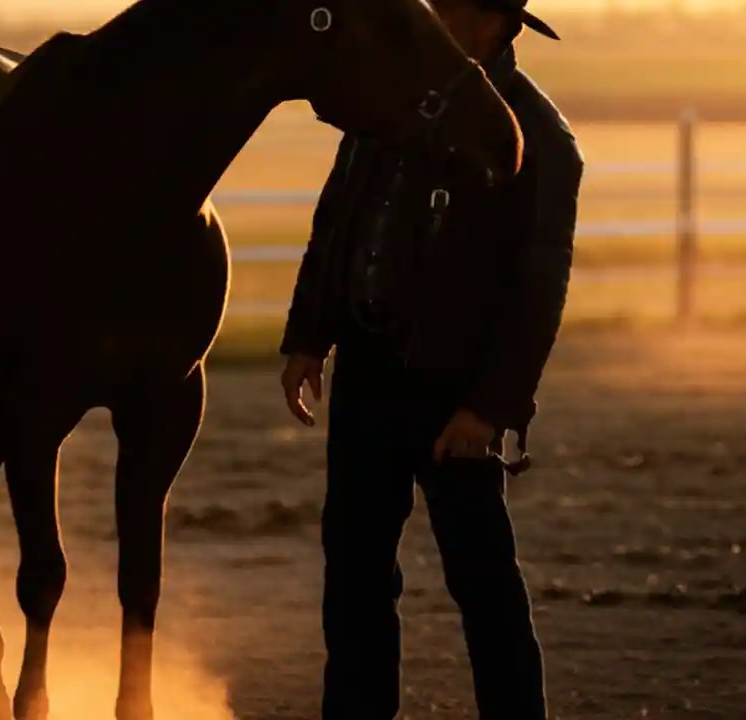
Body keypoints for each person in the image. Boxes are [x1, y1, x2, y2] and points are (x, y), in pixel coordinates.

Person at [277, 0, 584, 716]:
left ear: (492, 23)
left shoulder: (539, 137)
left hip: (454, 395)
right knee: (354, 577)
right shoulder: (397, 99)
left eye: (446, 6)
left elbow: (537, 294)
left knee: (482, 584)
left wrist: (489, 408)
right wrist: (308, 335)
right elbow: (340, 215)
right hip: (367, 373)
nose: (430, 16)